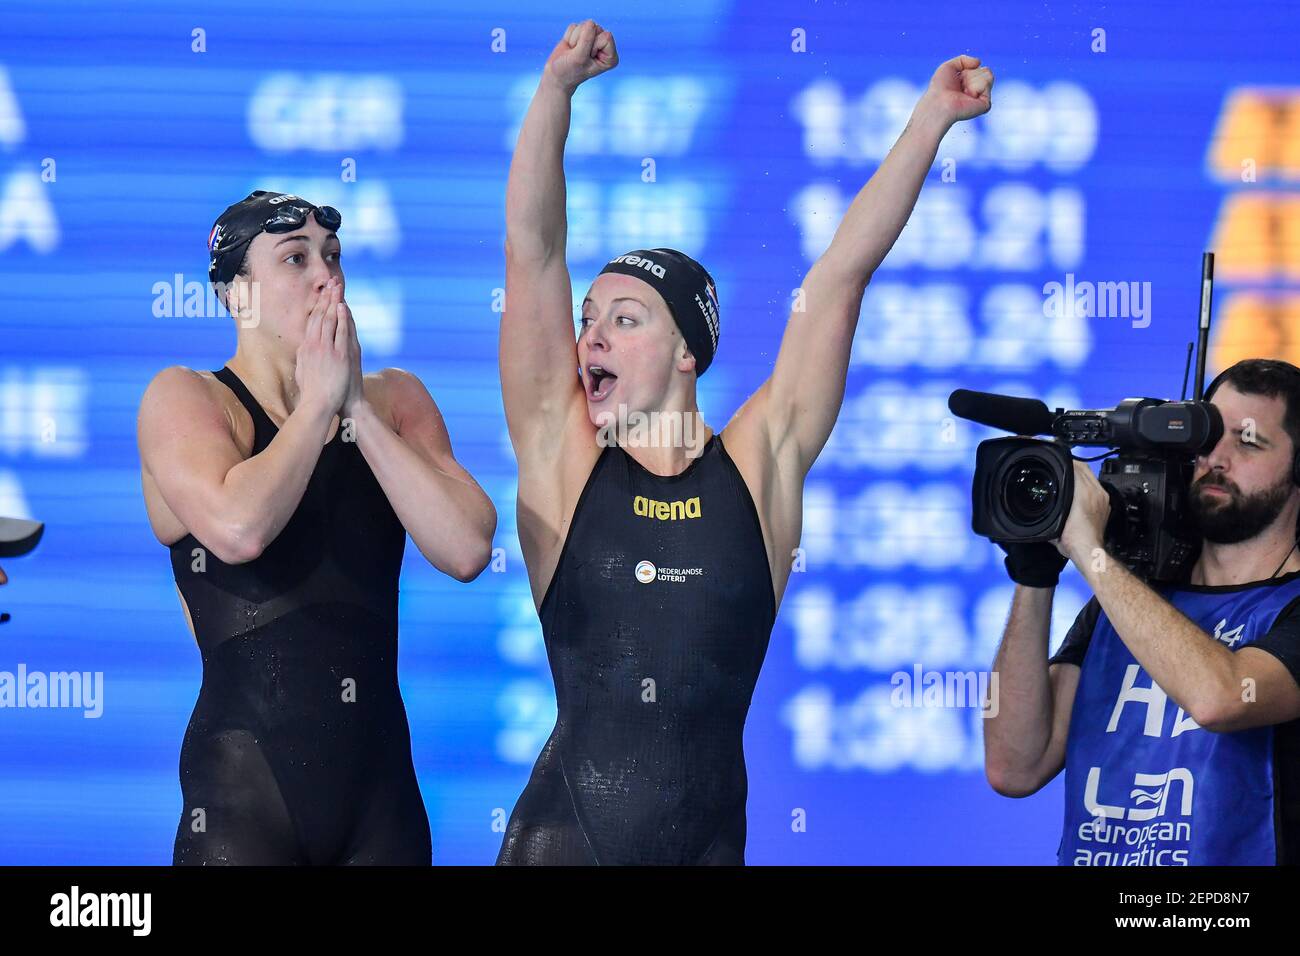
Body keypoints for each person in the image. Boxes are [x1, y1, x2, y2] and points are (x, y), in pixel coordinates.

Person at [497, 20, 994, 864]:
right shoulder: (564, 462)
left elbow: (840, 275)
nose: (591, 341)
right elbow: (534, 253)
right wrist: (555, 93)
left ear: (689, 352)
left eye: (625, 319)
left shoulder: (761, 469)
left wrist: (929, 123)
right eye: (588, 323)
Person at [137, 190, 496, 865]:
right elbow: (239, 528)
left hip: (381, 804)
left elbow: (469, 547)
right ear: (236, 295)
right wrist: (316, 410)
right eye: (295, 258)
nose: (326, 275)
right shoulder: (186, 398)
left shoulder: (396, 400)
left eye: (332, 256)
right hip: (243, 800)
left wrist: (354, 404)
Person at [985, 358, 1300, 865]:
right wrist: (1034, 574)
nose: (1216, 458)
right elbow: (1015, 766)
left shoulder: (1288, 608)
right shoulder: (1127, 600)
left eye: (1248, 442)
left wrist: (1091, 553)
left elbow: (1221, 698)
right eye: (1208, 436)